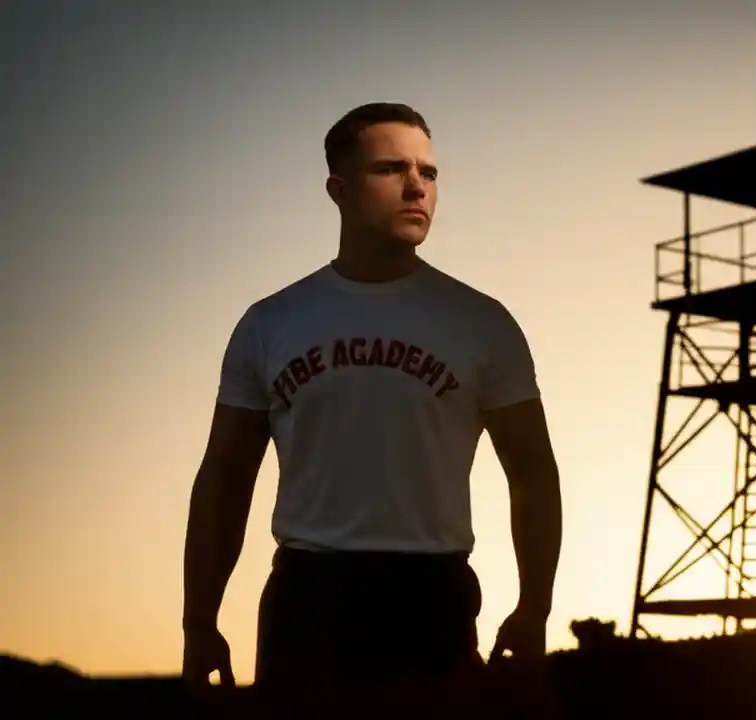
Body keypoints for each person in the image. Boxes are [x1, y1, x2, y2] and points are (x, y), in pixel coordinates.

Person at [180, 102, 562, 700]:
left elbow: (533, 472)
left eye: (429, 172)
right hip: (310, 602)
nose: (417, 186)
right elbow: (226, 478)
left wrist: (534, 606)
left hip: (433, 600)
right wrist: (198, 619)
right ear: (338, 189)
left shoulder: (482, 324)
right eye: (391, 169)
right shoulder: (270, 323)